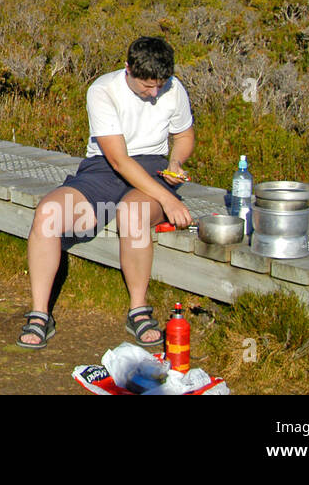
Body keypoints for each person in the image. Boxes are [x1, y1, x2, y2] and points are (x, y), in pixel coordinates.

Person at [18, 36, 195, 350]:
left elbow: (183, 135)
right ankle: (40, 313)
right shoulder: (102, 90)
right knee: (48, 214)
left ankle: (138, 310)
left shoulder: (174, 88)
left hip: (153, 166)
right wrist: (168, 198)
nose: (155, 94)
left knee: (133, 212)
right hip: (105, 166)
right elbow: (118, 160)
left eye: (160, 85)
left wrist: (176, 163)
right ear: (128, 69)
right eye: (147, 86)